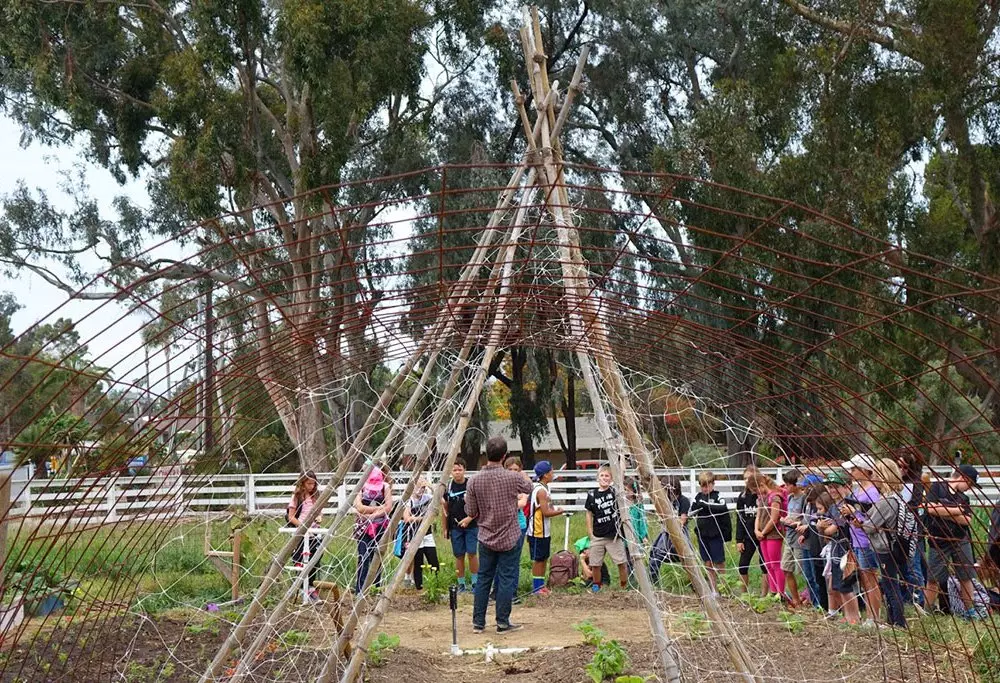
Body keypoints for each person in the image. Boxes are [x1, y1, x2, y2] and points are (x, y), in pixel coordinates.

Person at [466, 436, 533, 634]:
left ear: (486, 454)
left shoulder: (474, 480)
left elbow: (470, 510)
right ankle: (502, 622)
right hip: (510, 535)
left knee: (484, 578)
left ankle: (478, 622)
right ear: (505, 456)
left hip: (486, 535)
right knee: (506, 578)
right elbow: (529, 488)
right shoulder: (512, 477)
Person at [860, 458, 917, 628]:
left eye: (876, 474)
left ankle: (898, 623)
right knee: (891, 584)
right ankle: (893, 621)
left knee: (890, 586)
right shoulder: (897, 498)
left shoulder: (886, 501)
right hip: (894, 546)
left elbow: (870, 526)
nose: (874, 477)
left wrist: (859, 521)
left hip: (886, 548)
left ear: (884, 476)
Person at [923, 465, 984, 619]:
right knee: (933, 579)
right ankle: (927, 612)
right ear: (963, 478)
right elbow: (930, 508)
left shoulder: (965, 498)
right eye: (970, 484)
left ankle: (969, 611)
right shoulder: (937, 487)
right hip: (939, 541)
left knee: (966, 576)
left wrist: (942, 510)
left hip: (960, 540)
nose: (969, 489)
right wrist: (957, 510)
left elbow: (967, 520)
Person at [839, 453, 883, 624]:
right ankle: (871, 616)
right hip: (856, 538)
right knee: (865, 579)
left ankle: (874, 617)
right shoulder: (858, 490)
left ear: (865, 470)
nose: (851, 471)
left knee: (870, 579)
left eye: (855, 468)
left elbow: (874, 517)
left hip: (867, 540)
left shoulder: (872, 492)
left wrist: (853, 513)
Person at [815, 481, 861, 625]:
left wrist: (821, 528)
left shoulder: (845, 506)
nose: (832, 490)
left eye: (836, 487)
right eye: (829, 487)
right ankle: (847, 615)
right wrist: (822, 528)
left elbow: (830, 529)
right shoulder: (833, 507)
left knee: (847, 584)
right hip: (835, 549)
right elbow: (825, 530)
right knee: (838, 586)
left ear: (845, 487)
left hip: (846, 549)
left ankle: (854, 616)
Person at [491, 456, 530, 601]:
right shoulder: (501, 483)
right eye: (510, 469)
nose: (513, 472)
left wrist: (507, 504)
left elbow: (522, 502)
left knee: (513, 561)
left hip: (518, 526)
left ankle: (512, 592)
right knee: (498, 561)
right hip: (501, 526)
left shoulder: (522, 485)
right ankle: (496, 591)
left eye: (516, 469)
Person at [585, 465, 628, 592]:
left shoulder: (614, 491)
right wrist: (590, 532)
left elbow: (622, 473)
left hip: (613, 535)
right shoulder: (592, 494)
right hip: (598, 535)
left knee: (621, 562)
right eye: (602, 475)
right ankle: (596, 586)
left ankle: (623, 586)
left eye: (607, 476)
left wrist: (622, 459)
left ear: (611, 479)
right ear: (598, 478)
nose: (604, 478)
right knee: (595, 563)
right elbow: (588, 513)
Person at [353, 464, 393, 595]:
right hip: (363, 527)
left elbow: (388, 507)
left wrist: (372, 515)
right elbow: (358, 506)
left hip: (380, 526)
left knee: (377, 556)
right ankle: (360, 589)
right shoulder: (361, 486)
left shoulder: (385, 487)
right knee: (363, 556)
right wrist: (377, 510)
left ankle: (376, 587)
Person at [527, 460, 564, 595]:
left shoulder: (545, 488)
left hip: (544, 531)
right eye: (551, 471)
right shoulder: (540, 491)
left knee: (544, 557)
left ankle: (541, 585)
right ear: (545, 475)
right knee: (538, 559)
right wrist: (559, 511)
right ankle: (536, 588)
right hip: (537, 531)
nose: (553, 473)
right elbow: (545, 512)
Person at [690, 471, 730, 594]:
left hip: (715, 535)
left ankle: (725, 588)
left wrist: (706, 505)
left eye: (707, 485)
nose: (705, 488)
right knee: (707, 562)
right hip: (703, 535)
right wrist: (696, 508)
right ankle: (714, 589)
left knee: (719, 562)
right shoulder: (698, 497)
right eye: (702, 486)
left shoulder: (718, 496)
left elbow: (722, 507)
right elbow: (693, 509)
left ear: (713, 484)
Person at [442, 458, 478, 593]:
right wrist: (445, 528)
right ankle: (461, 584)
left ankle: (475, 583)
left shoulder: (471, 485)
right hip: (455, 527)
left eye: (460, 470)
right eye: (454, 470)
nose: (457, 473)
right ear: (451, 472)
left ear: (465, 470)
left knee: (472, 553)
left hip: (472, 525)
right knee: (459, 555)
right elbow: (444, 509)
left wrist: (469, 519)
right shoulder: (448, 487)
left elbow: (478, 506)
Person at [287, 470, 322, 600]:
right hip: (301, 534)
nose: (311, 486)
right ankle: (302, 587)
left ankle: (311, 586)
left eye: (313, 484)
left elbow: (318, 512)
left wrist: (319, 517)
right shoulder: (297, 497)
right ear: (302, 483)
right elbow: (291, 517)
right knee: (301, 560)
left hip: (314, 532)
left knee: (316, 557)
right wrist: (302, 527)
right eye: (309, 483)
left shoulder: (315, 497)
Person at [649, 478, 690, 584]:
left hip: (680, 533)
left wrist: (672, 523)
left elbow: (682, 520)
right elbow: (661, 517)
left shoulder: (683, 500)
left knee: (687, 558)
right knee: (654, 553)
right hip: (665, 532)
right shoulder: (665, 501)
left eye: (664, 488)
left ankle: (693, 581)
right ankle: (654, 582)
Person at [750, 473, 785, 597]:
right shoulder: (760, 498)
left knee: (775, 564)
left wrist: (763, 531)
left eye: (756, 490)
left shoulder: (775, 497)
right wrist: (756, 530)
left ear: (761, 485)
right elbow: (758, 515)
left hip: (773, 534)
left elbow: (774, 518)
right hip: (762, 535)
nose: (756, 493)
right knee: (768, 564)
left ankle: (780, 592)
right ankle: (773, 590)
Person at [735, 465, 767, 594]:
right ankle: (744, 594)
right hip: (748, 536)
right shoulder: (742, 497)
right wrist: (739, 539)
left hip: (763, 535)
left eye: (749, 478)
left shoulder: (764, 496)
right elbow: (739, 518)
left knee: (764, 565)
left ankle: (765, 595)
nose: (747, 481)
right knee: (743, 565)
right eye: (745, 479)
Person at [403, 478, 439, 591]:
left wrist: (430, 486)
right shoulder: (410, 501)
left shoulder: (427, 498)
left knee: (433, 560)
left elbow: (440, 499)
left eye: (423, 487)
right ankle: (419, 587)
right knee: (418, 562)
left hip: (427, 534)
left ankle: (437, 585)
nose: (421, 490)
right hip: (414, 534)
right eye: (419, 487)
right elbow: (407, 518)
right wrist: (423, 518)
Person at [798, 484, 829, 610]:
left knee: (822, 579)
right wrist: (805, 534)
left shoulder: (825, 515)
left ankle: (824, 605)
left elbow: (814, 525)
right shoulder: (811, 507)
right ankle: (816, 603)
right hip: (812, 547)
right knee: (812, 576)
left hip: (820, 549)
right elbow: (810, 524)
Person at [779, 469, 804, 608]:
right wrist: (786, 520)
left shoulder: (803, 498)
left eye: (788, 485)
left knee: (802, 570)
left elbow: (805, 518)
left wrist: (795, 522)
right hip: (789, 536)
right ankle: (796, 600)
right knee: (786, 568)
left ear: (795, 485)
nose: (786, 488)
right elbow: (791, 514)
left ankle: (810, 597)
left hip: (800, 538)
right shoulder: (789, 498)